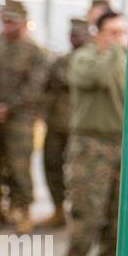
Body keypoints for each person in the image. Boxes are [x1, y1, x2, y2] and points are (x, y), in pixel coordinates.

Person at [63, 9, 128, 256]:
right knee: (86, 214)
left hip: (122, 145)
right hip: (90, 146)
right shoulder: (84, 58)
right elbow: (101, 78)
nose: (120, 39)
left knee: (118, 217)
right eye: (113, 32)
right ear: (98, 33)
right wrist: (114, 51)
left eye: (123, 33)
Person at [0, 0, 49, 232]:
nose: (7, 26)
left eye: (12, 22)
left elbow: (35, 86)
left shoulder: (34, 52)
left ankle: (22, 211)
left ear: (23, 23)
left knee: (19, 167)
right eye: (4, 21)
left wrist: (9, 107)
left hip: (20, 119)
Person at [36, 18, 89, 229]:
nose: (74, 37)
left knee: (79, 173)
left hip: (81, 127)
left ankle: (80, 215)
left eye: (78, 34)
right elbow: (47, 87)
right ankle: (58, 209)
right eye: (72, 34)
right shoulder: (61, 60)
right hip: (57, 123)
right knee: (52, 165)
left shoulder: (91, 60)